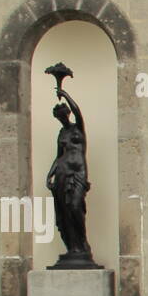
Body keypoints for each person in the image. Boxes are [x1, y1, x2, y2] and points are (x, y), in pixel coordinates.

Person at [45, 85, 95, 265]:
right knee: (65, 212)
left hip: (78, 173)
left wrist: (64, 94)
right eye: (59, 117)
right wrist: (49, 175)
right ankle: (72, 247)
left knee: (75, 207)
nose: (62, 119)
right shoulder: (62, 133)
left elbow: (77, 111)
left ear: (67, 114)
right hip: (62, 174)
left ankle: (83, 244)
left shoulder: (78, 128)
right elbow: (59, 156)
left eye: (63, 115)